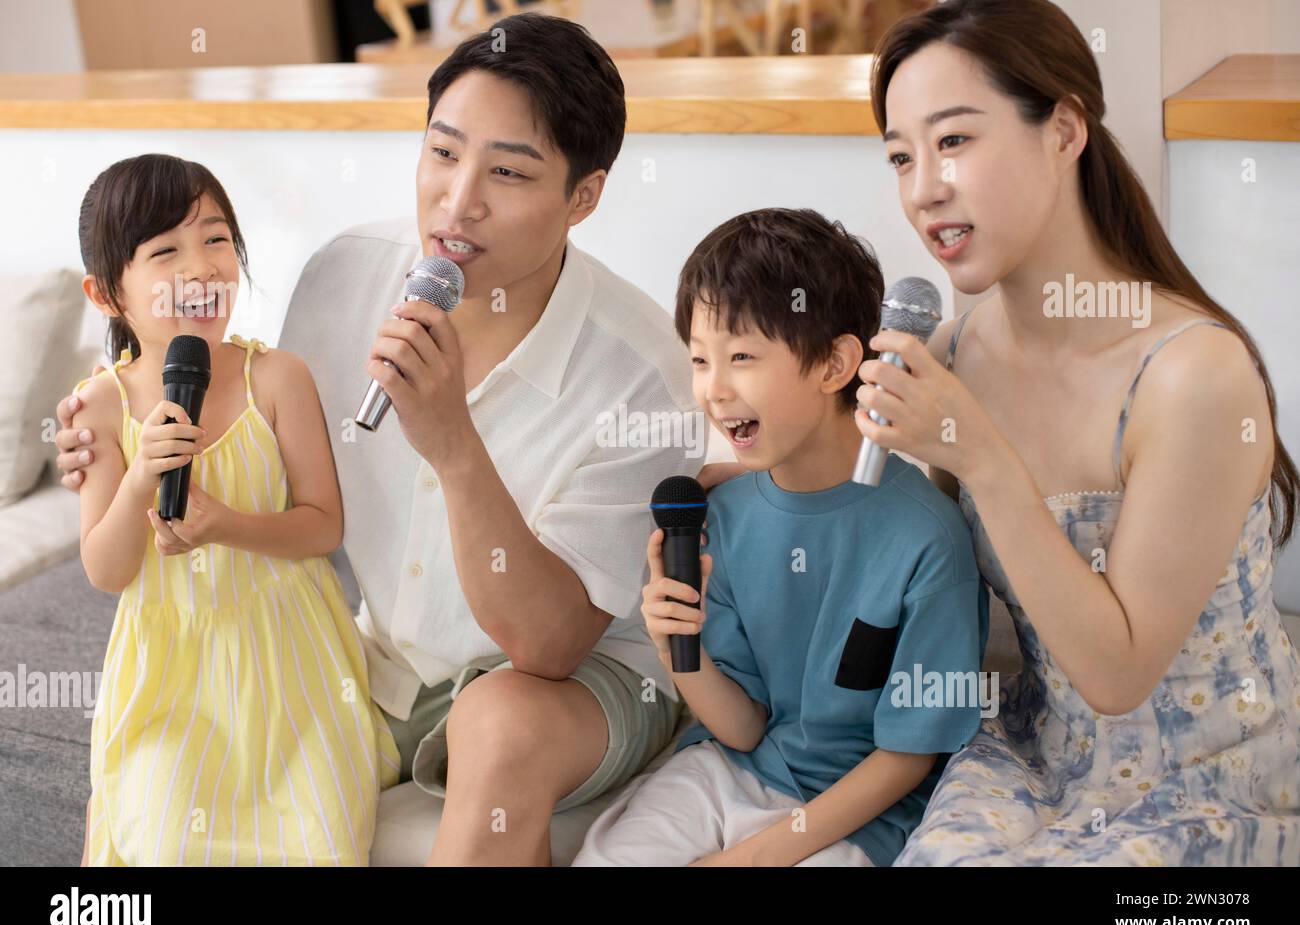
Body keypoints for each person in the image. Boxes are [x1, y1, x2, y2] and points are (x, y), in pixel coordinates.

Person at [56, 15, 699, 866]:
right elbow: (265, 457)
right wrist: (114, 426)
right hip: (377, 656)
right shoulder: (344, 274)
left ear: (583, 196)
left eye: (506, 171)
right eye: (442, 152)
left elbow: (546, 646)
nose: (457, 200)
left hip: (573, 681)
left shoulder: (643, 375)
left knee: (498, 717)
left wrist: (453, 443)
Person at [853, 0, 1300, 865]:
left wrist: (979, 451)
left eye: (953, 142)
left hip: (1210, 786)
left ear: (1063, 131)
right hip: (1038, 755)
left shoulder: (1194, 375)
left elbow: (1118, 674)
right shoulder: (958, 351)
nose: (922, 190)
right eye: (902, 157)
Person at [573, 209, 988, 867]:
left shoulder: (926, 539)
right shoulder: (721, 513)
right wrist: (676, 646)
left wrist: (755, 856)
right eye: (701, 360)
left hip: (856, 814)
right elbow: (741, 726)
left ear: (834, 362)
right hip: (726, 772)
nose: (714, 388)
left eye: (742, 357)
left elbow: (910, 754)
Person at [73, 154, 398, 866]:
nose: (202, 267)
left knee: (318, 839)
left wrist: (225, 524)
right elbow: (105, 567)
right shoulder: (101, 403)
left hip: (291, 655)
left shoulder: (277, 378)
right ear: (106, 293)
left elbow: (322, 523)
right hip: (168, 667)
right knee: (161, 841)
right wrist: (139, 481)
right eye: (166, 250)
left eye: (217, 239)